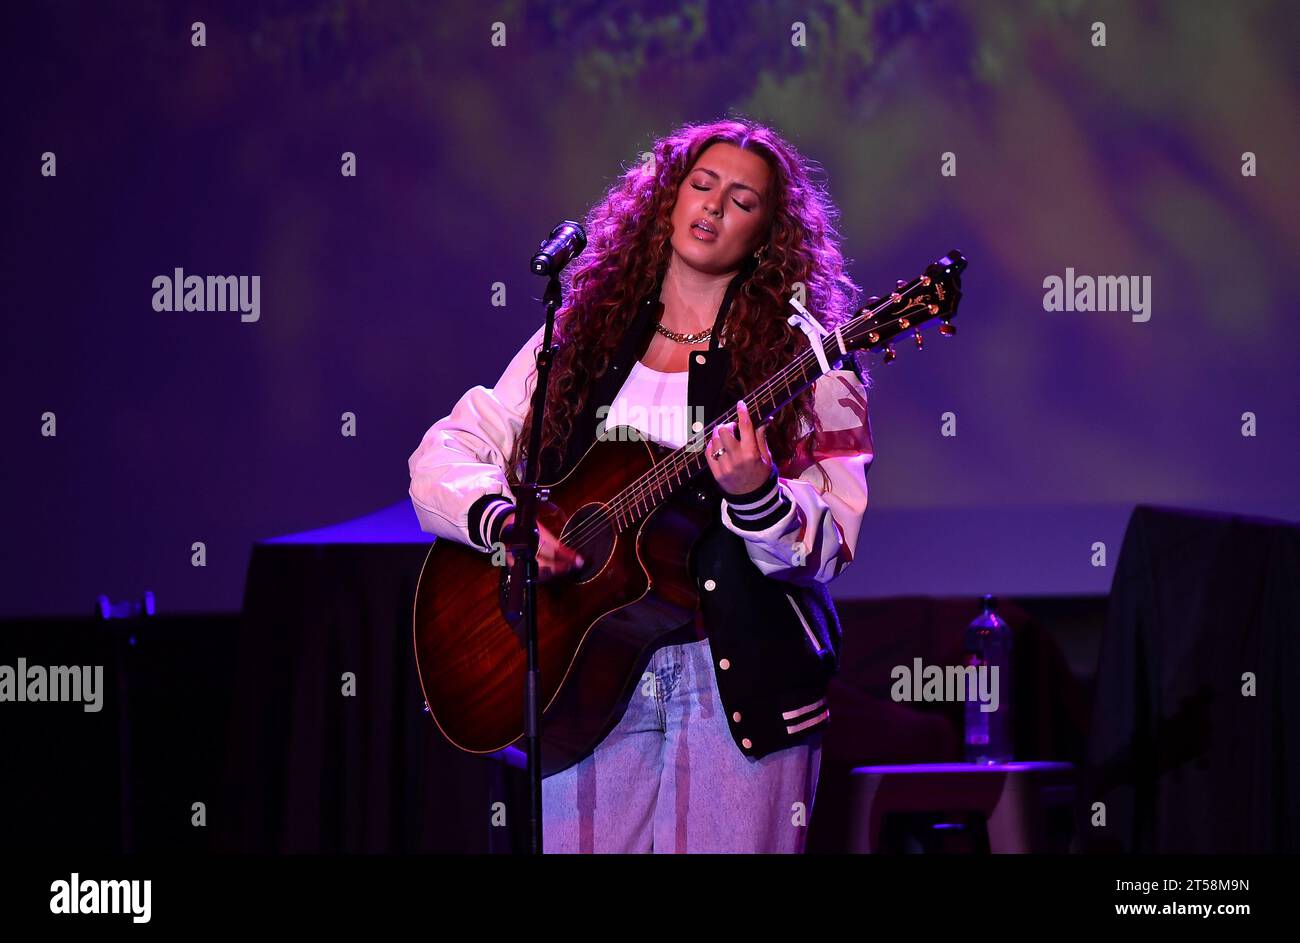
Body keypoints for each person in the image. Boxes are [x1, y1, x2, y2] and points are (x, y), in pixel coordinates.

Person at [408, 117, 874, 853]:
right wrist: (503, 523)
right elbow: (451, 447)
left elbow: (833, 537)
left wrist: (758, 496)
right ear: (667, 198)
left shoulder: (814, 363)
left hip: (737, 686)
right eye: (702, 184)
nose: (714, 208)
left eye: (743, 201)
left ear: (770, 235)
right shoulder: (579, 331)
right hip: (587, 678)